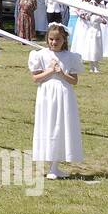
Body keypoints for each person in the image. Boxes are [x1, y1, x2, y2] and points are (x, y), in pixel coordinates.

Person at [28, 22, 83, 180]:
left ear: (64, 40)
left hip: (64, 95)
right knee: (48, 124)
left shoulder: (70, 57)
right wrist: (50, 70)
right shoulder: (40, 55)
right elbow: (35, 78)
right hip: (46, 95)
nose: (54, 42)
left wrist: (62, 73)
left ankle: (55, 165)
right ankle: (50, 163)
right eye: (51, 39)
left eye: (57, 39)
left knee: (61, 126)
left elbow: (74, 81)